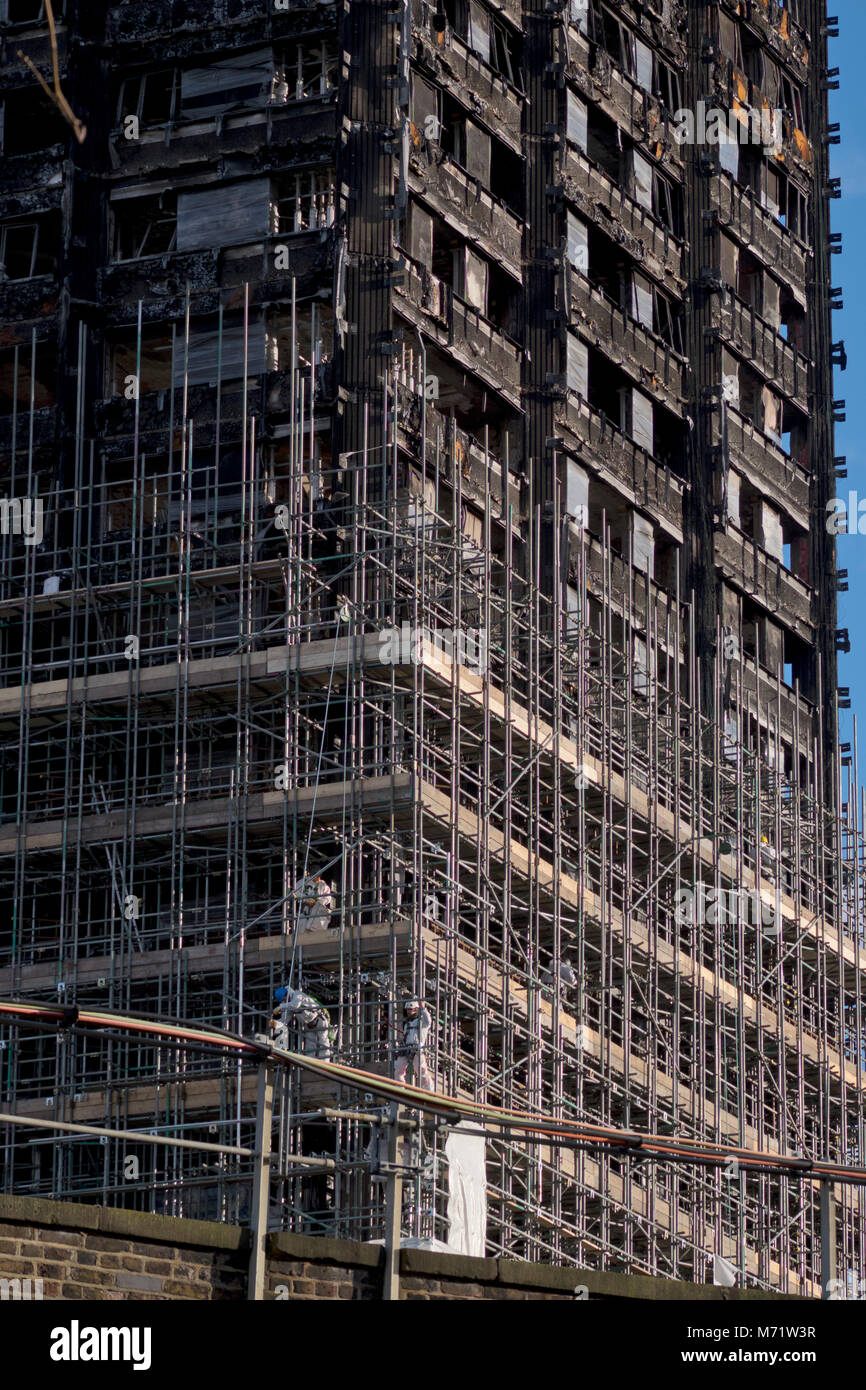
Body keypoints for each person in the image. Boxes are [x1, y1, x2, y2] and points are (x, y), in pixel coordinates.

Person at [270, 985, 332, 1059]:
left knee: (323, 1042)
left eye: (284, 999)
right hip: (308, 1024)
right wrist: (274, 1023)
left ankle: (325, 1063)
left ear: (286, 994)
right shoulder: (289, 1005)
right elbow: (284, 1021)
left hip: (319, 1020)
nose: (284, 1001)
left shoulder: (298, 995)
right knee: (310, 1046)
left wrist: (281, 1007)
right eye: (282, 1001)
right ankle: (311, 1065)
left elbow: (295, 1005)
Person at [394, 997, 433, 1091]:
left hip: (417, 1048)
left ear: (416, 1009)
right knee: (399, 1069)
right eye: (407, 1010)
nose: (408, 1011)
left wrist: (423, 1008)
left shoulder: (421, 1022)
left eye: (410, 1009)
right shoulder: (407, 1023)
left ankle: (429, 1090)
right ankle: (400, 1088)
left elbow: (429, 1021)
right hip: (406, 1048)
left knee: (421, 1070)